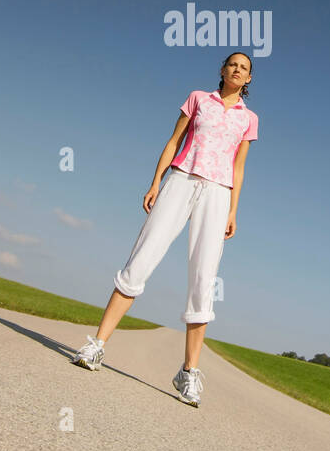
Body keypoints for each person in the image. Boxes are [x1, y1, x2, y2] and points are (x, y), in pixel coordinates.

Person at [71, 51, 259, 406]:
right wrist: (156, 181)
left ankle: (188, 374)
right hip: (181, 179)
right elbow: (174, 141)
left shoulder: (249, 119)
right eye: (233, 64)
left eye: (245, 68)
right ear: (222, 70)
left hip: (217, 194)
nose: (238, 69)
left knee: (204, 279)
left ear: (249, 79)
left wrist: (233, 210)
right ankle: (97, 346)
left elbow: (239, 167)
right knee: (142, 257)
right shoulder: (198, 99)